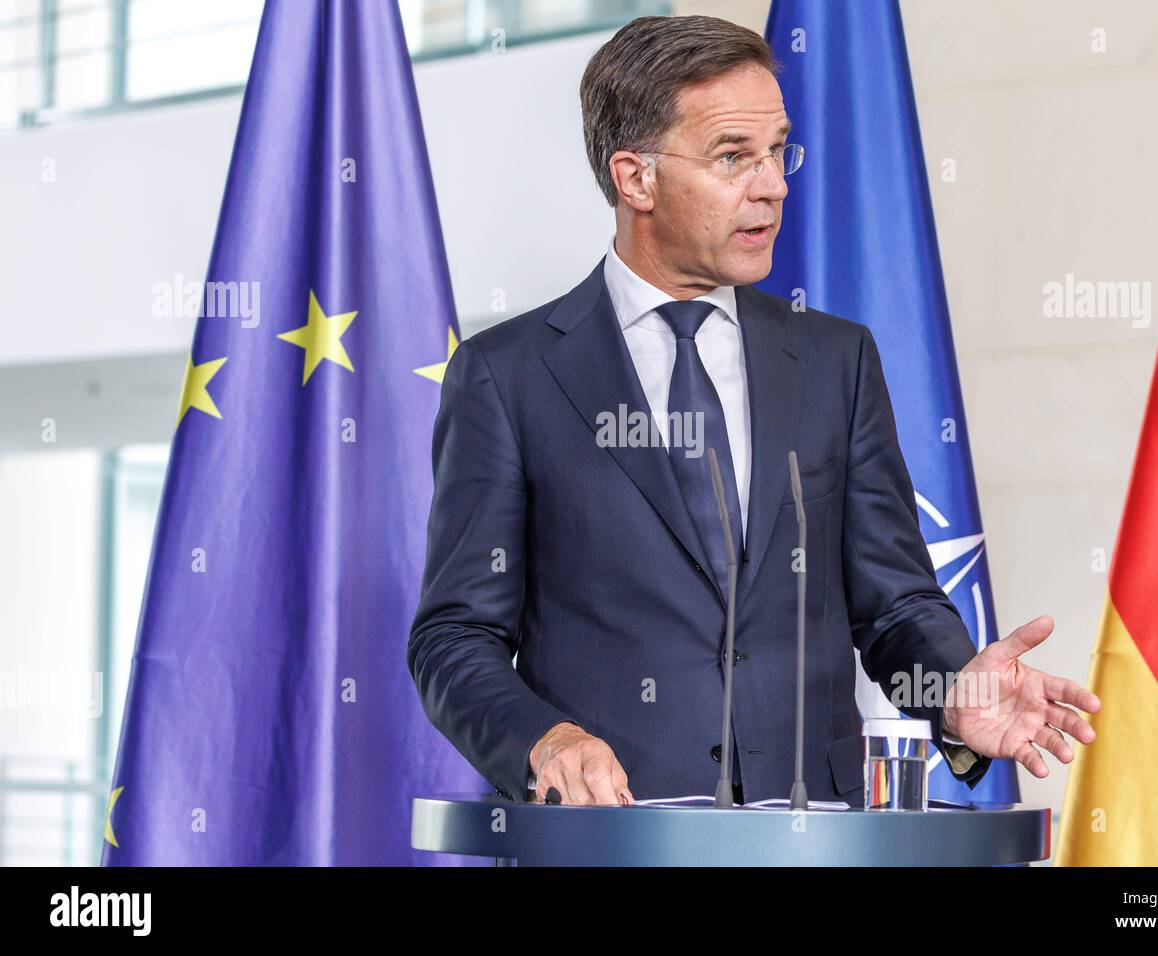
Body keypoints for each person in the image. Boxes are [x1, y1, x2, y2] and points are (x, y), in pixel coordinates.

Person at [408, 14, 1100, 806]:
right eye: (734, 156)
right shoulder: (508, 377)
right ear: (635, 179)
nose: (771, 184)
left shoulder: (837, 361)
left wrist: (951, 689)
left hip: (813, 839)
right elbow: (454, 637)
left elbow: (894, 601)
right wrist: (543, 739)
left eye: (777, 151)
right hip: (612, 843)